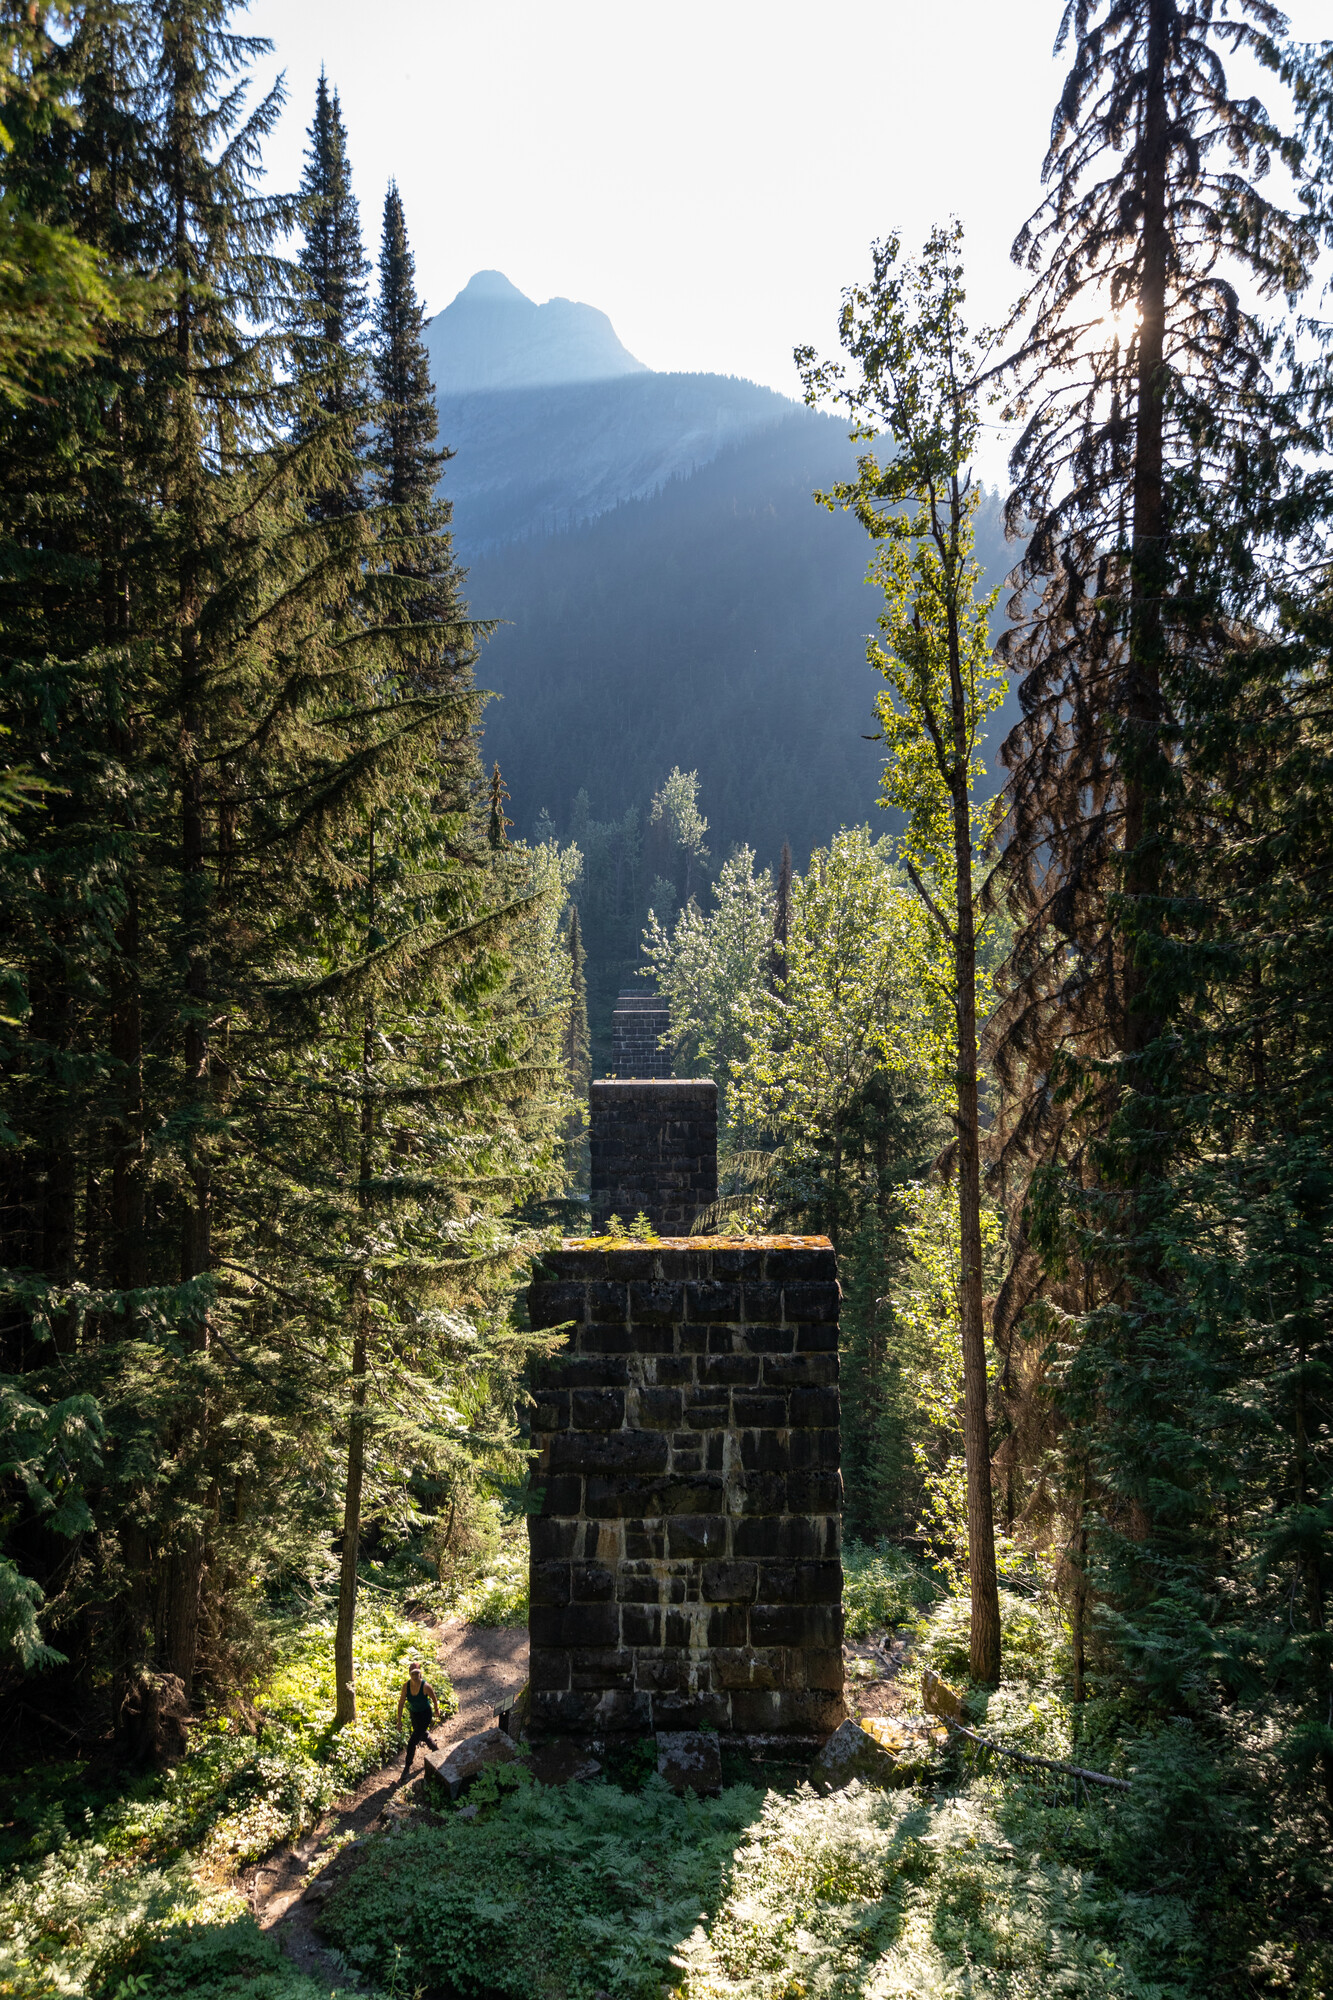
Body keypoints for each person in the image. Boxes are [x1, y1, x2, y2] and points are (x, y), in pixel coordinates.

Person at [395, 1659, 442, 1782]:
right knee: (422, 1735)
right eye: (413, 1674)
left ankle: (407, 1767)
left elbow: (434, 1698)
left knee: (412, 1742)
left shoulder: (425, 1686)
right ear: (409, 1674)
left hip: (425, 1715)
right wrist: (399, 1720)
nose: (415, 1676)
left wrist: (437, 1709)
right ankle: (435, 1749)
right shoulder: (406, 1686)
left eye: (417, 1673)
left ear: (420, 1674)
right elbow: (400, 1703)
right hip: (414, 1715)